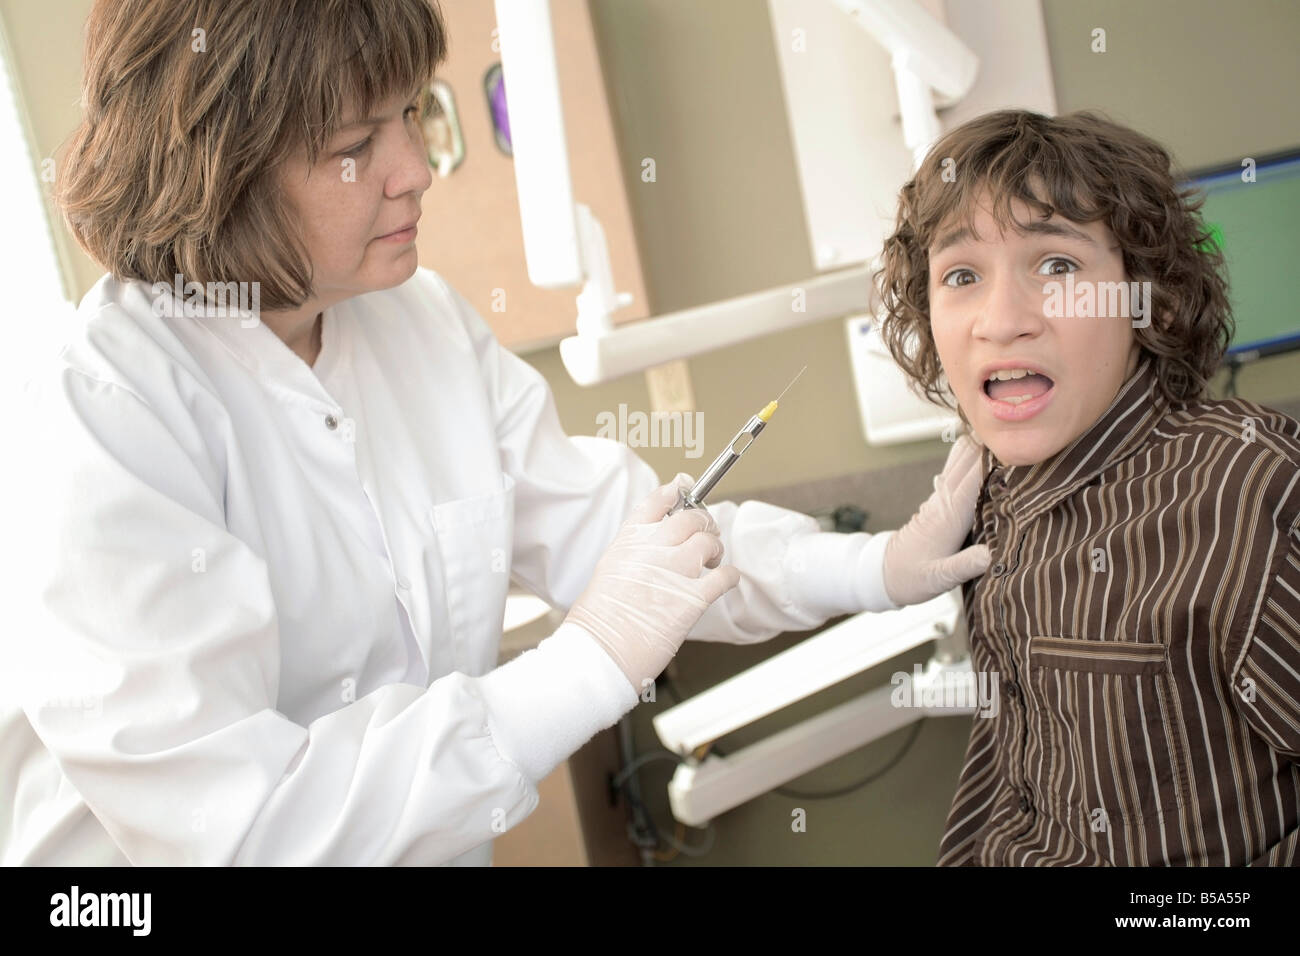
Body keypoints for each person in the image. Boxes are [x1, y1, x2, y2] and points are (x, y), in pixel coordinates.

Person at [0, 0, 988, 866]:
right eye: (355, 143)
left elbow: (625, 537)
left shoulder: (417, 318)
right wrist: (584, 660)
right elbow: (244, 829)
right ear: (223, 168)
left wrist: (875, 568)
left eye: (409, 114)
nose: (413, 170)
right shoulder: (107, 412)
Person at [876, 108, 1300, 866]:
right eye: (962, 275)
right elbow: (1025, 787)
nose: (1001, 321)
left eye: (1058, 266)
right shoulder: (997, 502)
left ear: (1152, 299)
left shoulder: (1247, 492)